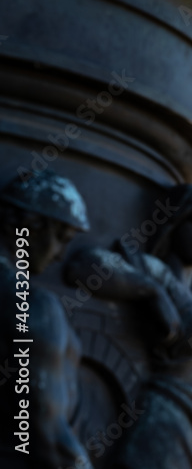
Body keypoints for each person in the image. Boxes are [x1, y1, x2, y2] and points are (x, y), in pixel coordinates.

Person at [63, 185, 192, 469]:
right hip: (156, 427)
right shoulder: (156, 273)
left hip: (183, 428)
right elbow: (83, 265)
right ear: (177, 222)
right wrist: (151, 291)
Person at [0, 172, 92, 469]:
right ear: (32, 226)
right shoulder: (32, 305)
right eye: (60, 238)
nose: (59, 255)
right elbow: (48, 435)